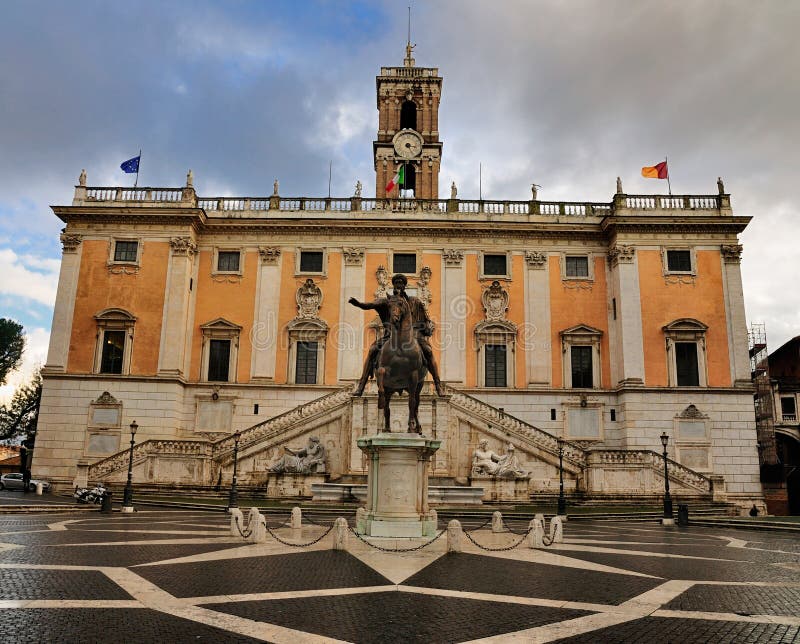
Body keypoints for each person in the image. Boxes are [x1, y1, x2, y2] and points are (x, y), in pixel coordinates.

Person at [349, 273, 443, 396]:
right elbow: (371, 305)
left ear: (405, 286)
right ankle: (361, 386)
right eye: (396, 283)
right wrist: (359, 304)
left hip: (414, 336)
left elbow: (425, 320)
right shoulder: (387, 301)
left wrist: (427, 327)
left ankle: (438, 385)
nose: (398, 285)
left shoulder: (415, 301)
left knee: (428, 351)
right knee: (372, 350)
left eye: (401, 283)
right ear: (393, 285)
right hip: (390, 336)